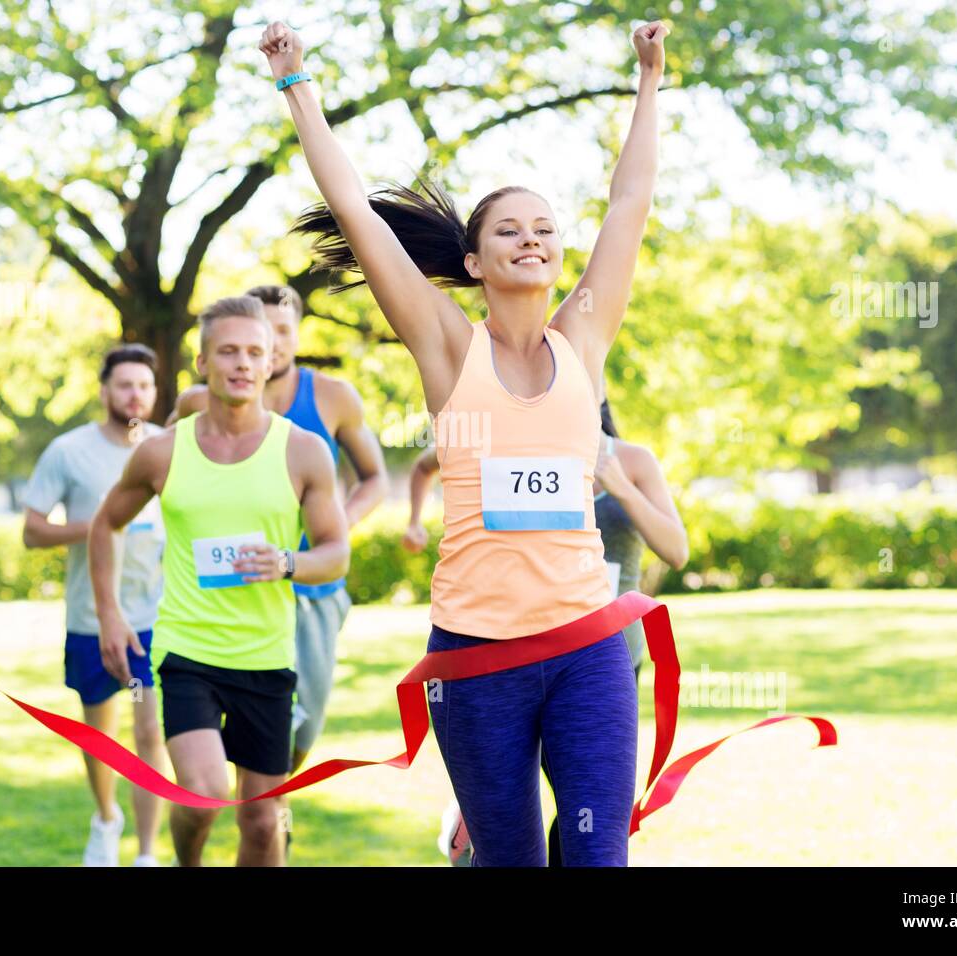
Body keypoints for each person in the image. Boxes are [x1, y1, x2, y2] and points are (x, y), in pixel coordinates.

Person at [260, 16, 671, 865]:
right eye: (510, 230)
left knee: (599, 855)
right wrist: (295, 84)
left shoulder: (583, 339)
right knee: (508, 857)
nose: (533, 238)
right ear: (475, 261)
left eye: (546, 228)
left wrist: (649, 81)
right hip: (477, 658)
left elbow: (629, 204)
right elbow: (355, 211)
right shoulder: (449, 346)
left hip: (588, 646)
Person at [88, 295, 349, 866]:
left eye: (256, 351)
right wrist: (109, 614)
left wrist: (287, 563)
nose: (243, 363)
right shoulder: (161, 453)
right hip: (188, 651)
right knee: (204, 796)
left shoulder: (303, 452)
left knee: (261, 824)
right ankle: (186, 862)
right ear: (203, 363)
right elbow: (105, 524)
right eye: (228, 351)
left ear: (272, 359)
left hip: (267, 658)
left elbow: (336, 553)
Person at [404, 398, 690, 865]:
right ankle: (477, 806)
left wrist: (621, 487)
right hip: (512, 653)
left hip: (609, 656)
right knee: (516, 804)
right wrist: (414, 522)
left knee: (589, 815)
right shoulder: (500, 444)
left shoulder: (633, 460)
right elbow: (424, 467)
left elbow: (677, 551)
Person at [20, 344, 168, 867]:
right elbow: (32, 531)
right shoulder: (68, 450)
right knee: (101, 736)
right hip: (90, 617)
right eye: (125, 384)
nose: (135, 394)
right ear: (105, 391)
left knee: (150, 732)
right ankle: (107, 819)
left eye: (144, 385)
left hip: (156, 617)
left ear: (155, 392)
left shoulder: (167, 448)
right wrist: (105, 525)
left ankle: (148, 854)